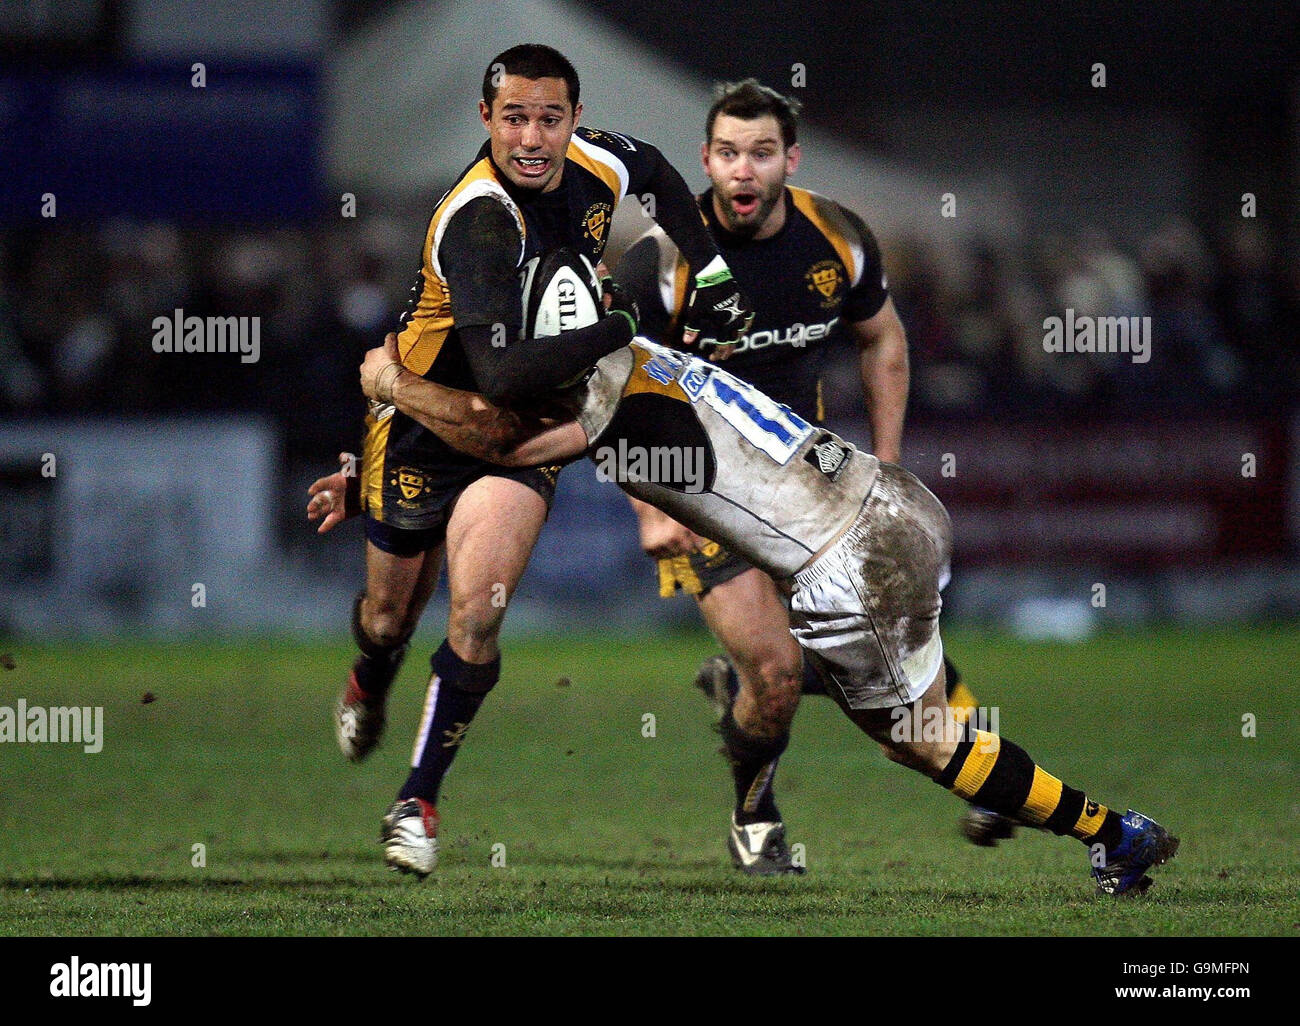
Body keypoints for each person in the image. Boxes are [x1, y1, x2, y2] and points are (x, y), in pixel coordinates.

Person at [309, 331, 1180, 897]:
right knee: (835, 690)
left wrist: (386, 380)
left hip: (852, 560)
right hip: (893, 502)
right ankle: (796, 691)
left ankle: (1114, 834)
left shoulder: (600, 405)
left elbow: (497, 441)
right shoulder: (637, 350)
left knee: (917, 739)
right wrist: (380, 480)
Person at [334, 44, 753, 878]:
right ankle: (372, 672)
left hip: (519, 434)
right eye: (514, 118)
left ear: (575, 119)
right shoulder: (482, 219)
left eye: (550, 118)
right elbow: (496, 375)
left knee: (479, 612)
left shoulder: (598, 162)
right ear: (485, 120)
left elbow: (665, 174)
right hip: (425, 417)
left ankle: (417, 799)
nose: (532, 137)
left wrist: (708, 270)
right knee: (390, 617)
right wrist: (627, 317)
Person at [610, 80, 1013, 872]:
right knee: (781, 671)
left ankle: (975, 769)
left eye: (762, 152)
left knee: (885, 635)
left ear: (790, 158)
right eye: (728, 153)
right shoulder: (660, 259)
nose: (744, 170)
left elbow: (883, 340)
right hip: (702, 492)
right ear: (705, 160)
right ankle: (754, 815)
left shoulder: (838, 236)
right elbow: (615, 386)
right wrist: (648, 508)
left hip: (811, 486)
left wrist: (887, 466)